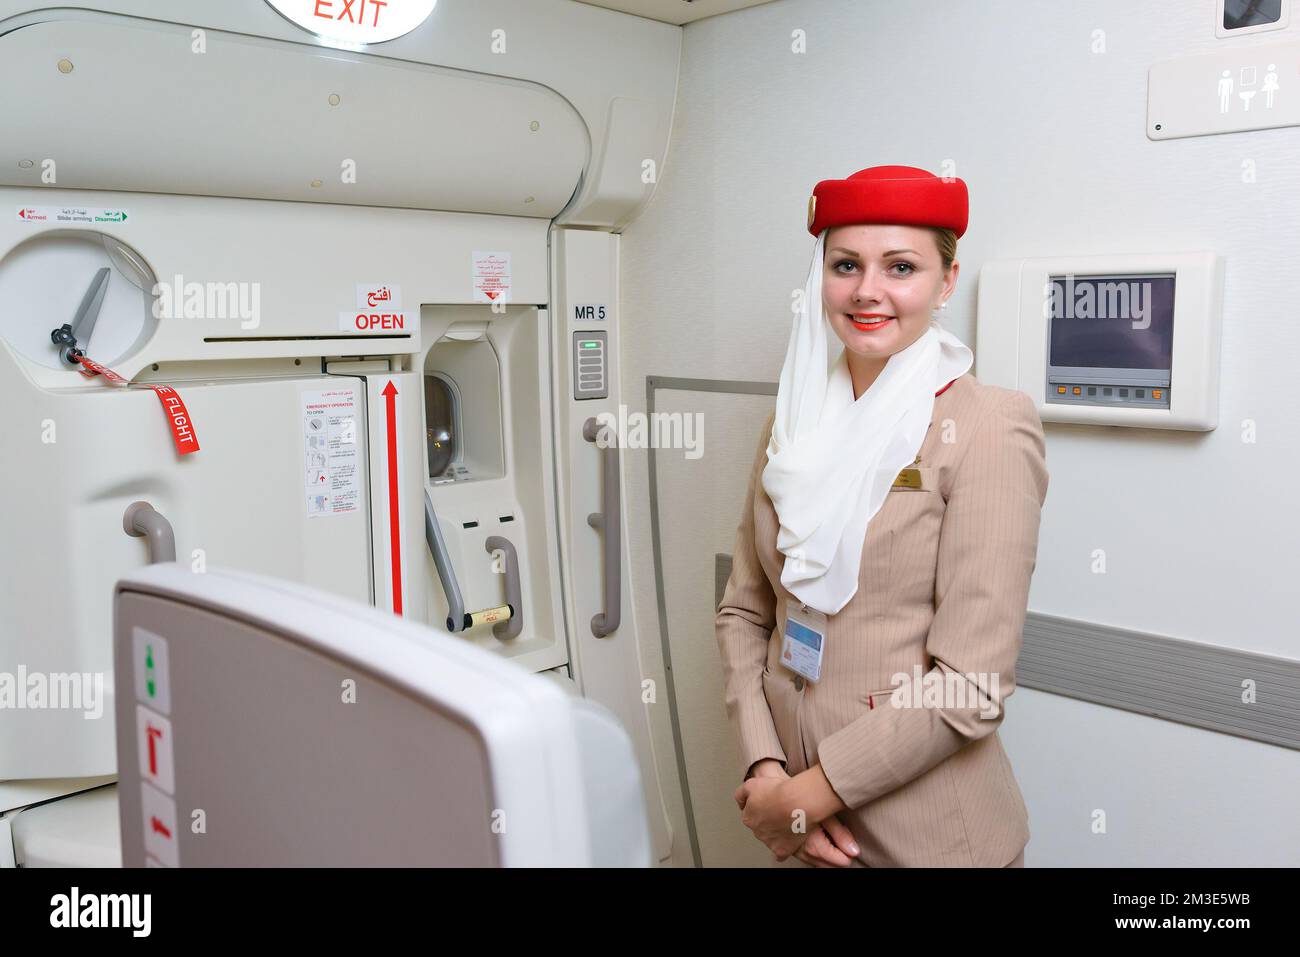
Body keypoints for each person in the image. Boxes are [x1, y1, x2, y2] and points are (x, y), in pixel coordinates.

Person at [715, 165, 1048, 868]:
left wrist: (811, 791)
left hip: (930, 840)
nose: (868, 290)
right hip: (804, 831)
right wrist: (764, 769)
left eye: (901, 266)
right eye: (846, 265)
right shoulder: (793, 423)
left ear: (946, 282)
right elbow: (746, 613)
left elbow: (971, 684)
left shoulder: (987, 426)